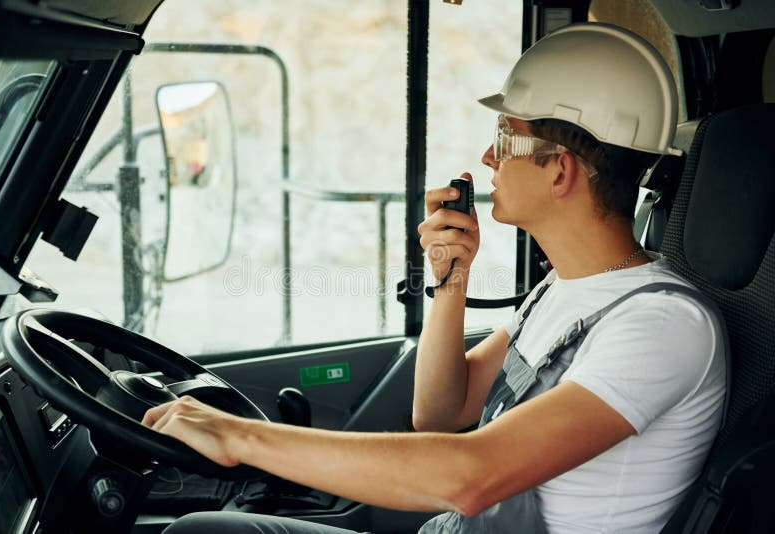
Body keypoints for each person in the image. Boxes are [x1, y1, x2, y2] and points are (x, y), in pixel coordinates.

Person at [145, 23, 726, 533]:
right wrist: (451, 282)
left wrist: (240, 437)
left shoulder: (663, 324)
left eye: (505, 136)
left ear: (560, 171)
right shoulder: (566, 288)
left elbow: (473, 475)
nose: (489, 157)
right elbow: (441, 413)